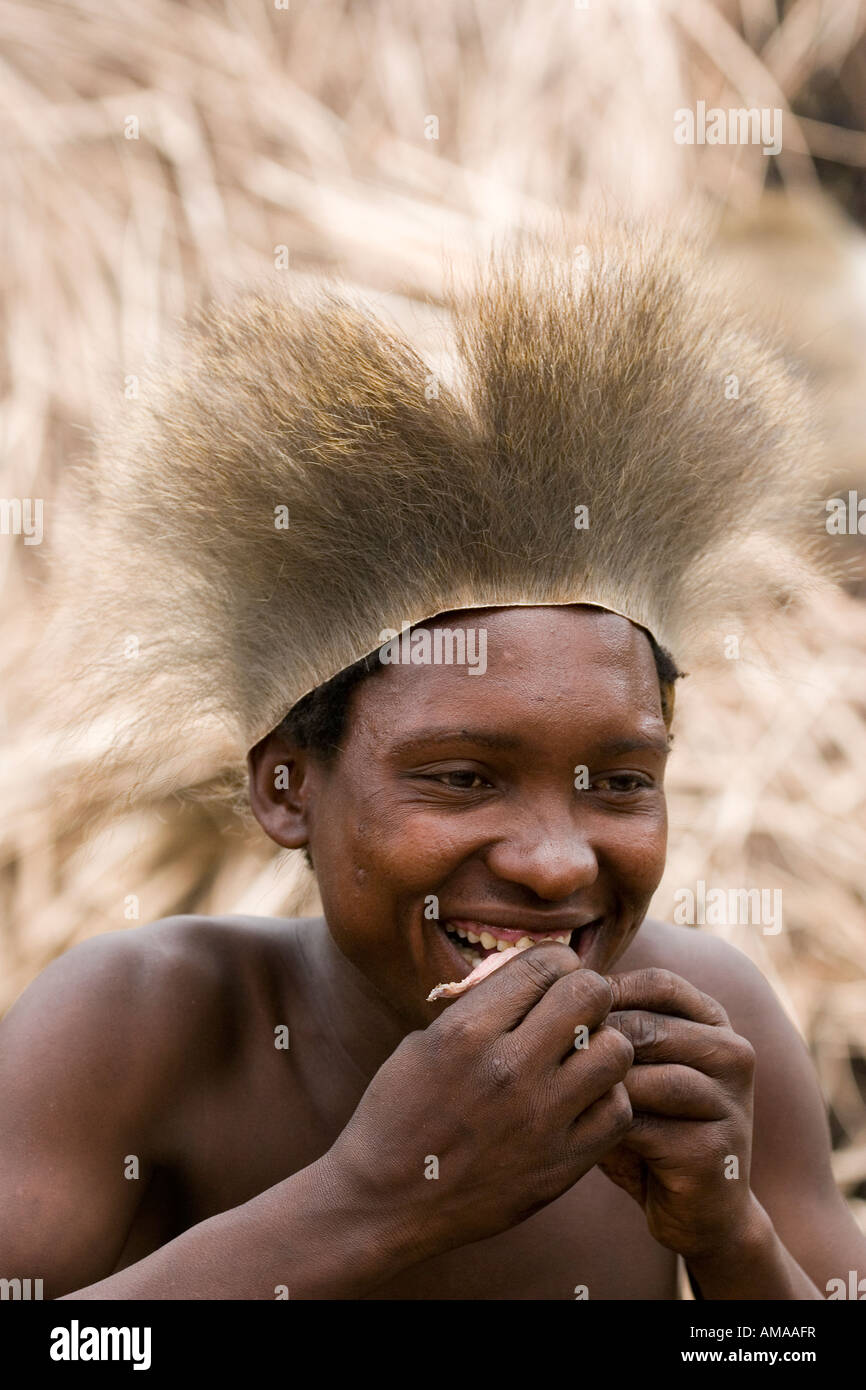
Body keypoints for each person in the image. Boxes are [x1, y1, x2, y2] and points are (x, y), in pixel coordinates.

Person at [1, 227, 862, 1299]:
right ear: (287, 786)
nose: (554, 863)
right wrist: (375, 1201)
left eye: (621, 780)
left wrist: (730, 1240)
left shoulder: (701, 1031)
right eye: (462, 778)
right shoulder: (139, 1023)